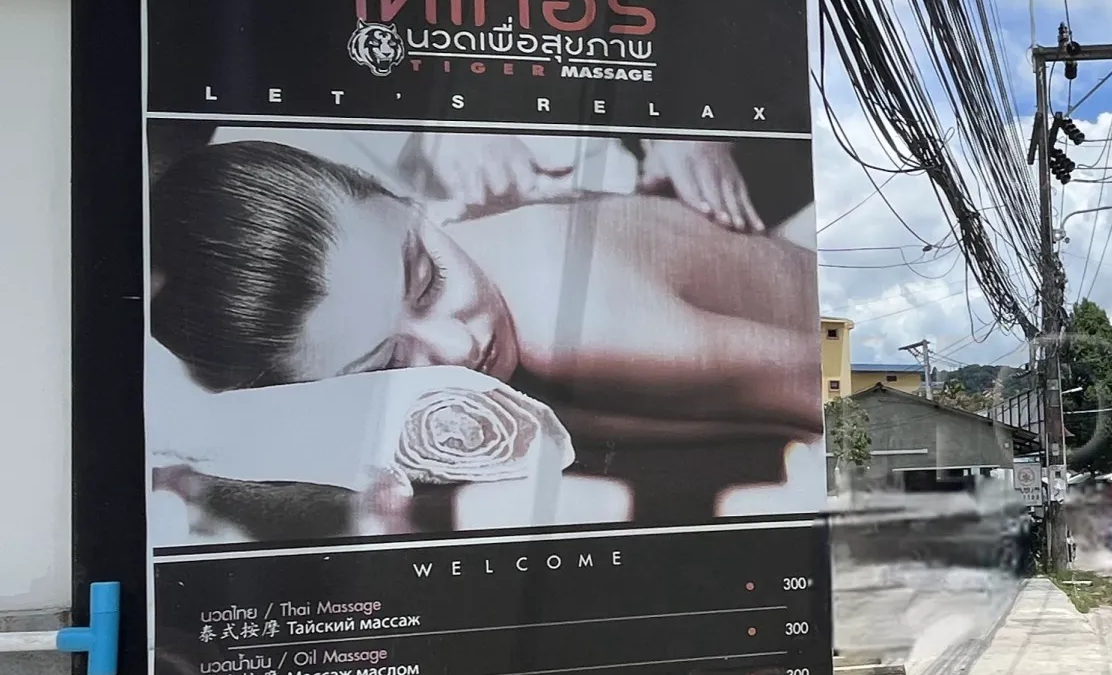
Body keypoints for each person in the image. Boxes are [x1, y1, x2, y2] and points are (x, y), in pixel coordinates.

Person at [151, 141, 818, 438]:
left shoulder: (565, 327)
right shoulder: (481, 230)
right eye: (386, 366)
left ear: (402, 199)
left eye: (428, 278)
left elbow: (828, 393)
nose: (456, 341)